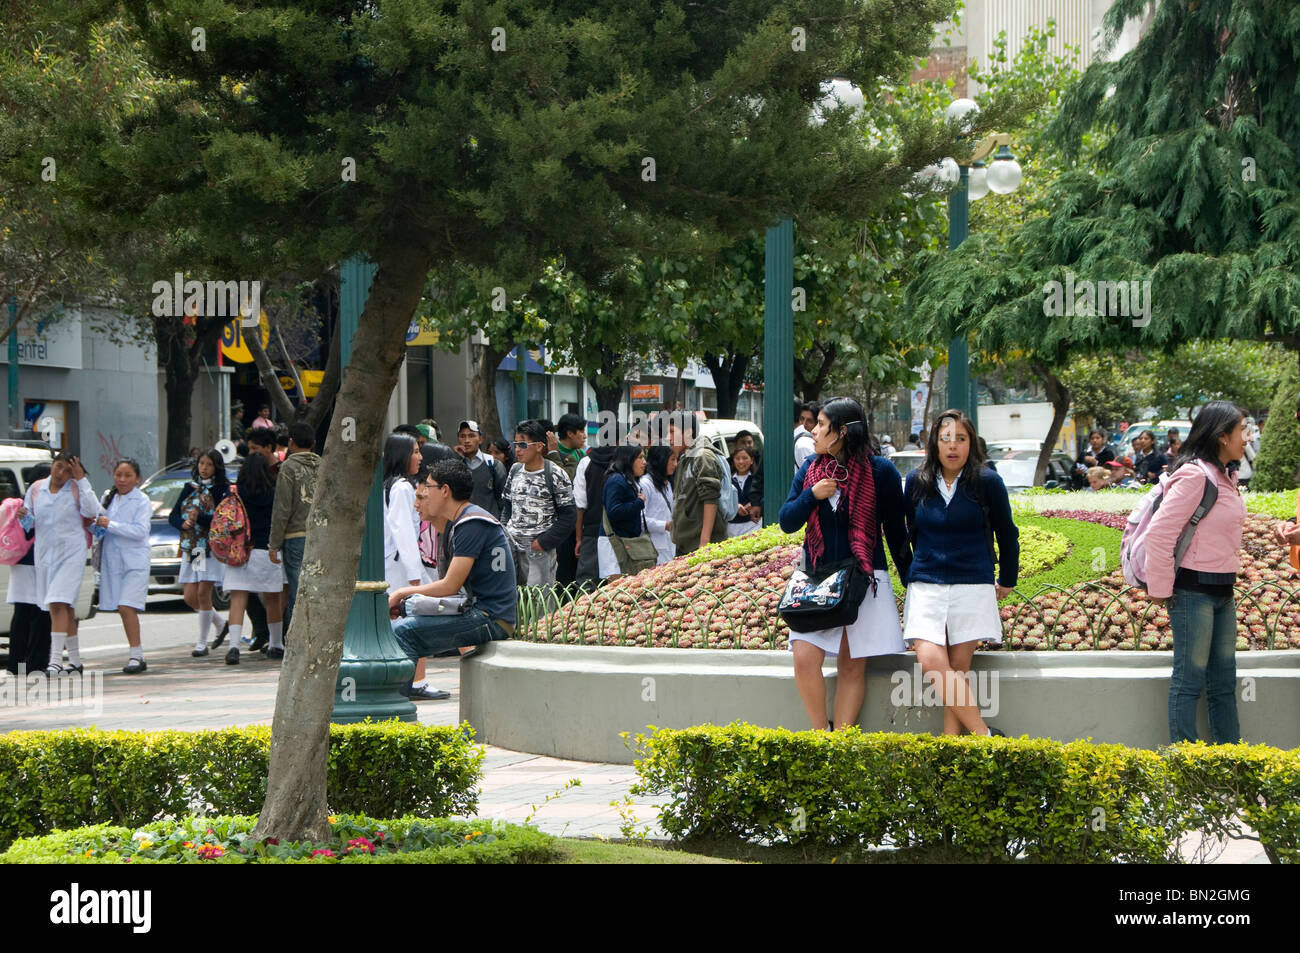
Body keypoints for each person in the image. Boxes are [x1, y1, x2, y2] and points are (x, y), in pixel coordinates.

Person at [779, 397, 912, 731]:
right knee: (804, 658)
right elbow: (787, 521)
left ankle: (841, 740)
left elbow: (896, 531)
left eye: (822, 425)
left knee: (853, 666)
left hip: (863, 579)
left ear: (842, 432)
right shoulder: (810, 469)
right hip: (818, 578)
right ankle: (820, 734)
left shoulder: (880, 470)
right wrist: (813, 495)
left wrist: (912, 580)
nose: (814, 430)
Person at [902, 409, 1019, 737]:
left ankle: (951, 750)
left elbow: (1006, 532)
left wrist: (1008, 577)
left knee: (958, 669)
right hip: (927, 583)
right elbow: (908, 532)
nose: (953, 446)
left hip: (972, 582)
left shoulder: (987, 482)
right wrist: (908, 573)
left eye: (961, 439)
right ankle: (984, 737)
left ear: (972, 443)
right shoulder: (916, 481)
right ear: (934, 444)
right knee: (931, 662)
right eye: (946, 439)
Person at [1143, 401, 1248, 745]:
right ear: (1221, 437)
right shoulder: (1195, 474)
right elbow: (1161, 533)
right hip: (1192, 593)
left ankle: (1230, 764)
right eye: (1241, 431)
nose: (1246, 438)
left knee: (1223, 685)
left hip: (1222, 591)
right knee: (1189, 682)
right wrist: (1160, 588)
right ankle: (1185, 767)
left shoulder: (1227, 476)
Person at [388, 459, 518, 666]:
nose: (424, 496)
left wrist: (400, 593)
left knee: (403, 632)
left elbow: (450, 586)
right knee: (404, 630)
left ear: (445, 490)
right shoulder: (463, 521)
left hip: (490, 618)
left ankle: (399, 698)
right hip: (481, 612)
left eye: (428, 488)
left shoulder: (471, 523)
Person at [18, 452, 98, 676]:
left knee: (56, 603)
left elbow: (92, 511)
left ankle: (55, 661)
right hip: (45, 555)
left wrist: (81, 480)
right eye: (59, 467)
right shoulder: (36, 489)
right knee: (65, 607)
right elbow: (30, 523)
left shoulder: (76, 487)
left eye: (67, 471)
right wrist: (23, 516)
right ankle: (75, 661)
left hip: (71, 553)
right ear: (52, 465)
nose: (61, 474)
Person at [382, 433, 448, 701]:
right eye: (415, 452)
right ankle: (416, 681)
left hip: (394, 565)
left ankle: (407, 680)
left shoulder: (387, 485)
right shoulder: (401, 488)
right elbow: (404, 533)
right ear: (401, 455)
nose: (420, 457)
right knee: (416, 621)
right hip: (403, 566)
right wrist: (414, 577)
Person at [222, 452, 285, 664]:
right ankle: (276, 644)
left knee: (238, 598)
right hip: (266, 551)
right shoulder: (273, 493)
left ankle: (233, 647)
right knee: (272, 599)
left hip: (240, 552)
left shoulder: (236, 493)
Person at [502, 419, 576, 587]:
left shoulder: (556, 474)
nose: (517, 449)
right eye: (516, 444)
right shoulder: (514, 470)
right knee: (513, 599)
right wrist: (505, 532)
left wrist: (543, 542)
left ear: (539, 446)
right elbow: (507, 505)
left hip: (539, 551)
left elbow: (569, 515)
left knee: (540, 604)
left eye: (523, 444)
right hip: (511, 549)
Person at [95, 459, 152, 674]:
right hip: (113, 560)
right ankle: (135, 654)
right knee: (121, 608)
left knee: (127, 606)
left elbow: (139, 531)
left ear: (137, 479)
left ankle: (136, 656)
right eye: (119, 474)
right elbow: (98, 525)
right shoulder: (108, 498)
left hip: (135, 561)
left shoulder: (142, 501)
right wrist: (96, 524)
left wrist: (111, 525)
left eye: (128, 475)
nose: (122, 479)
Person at [171, 449, 230, 656]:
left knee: (204, 592)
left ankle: (201, 643)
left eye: (209, 464)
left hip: (211, 546)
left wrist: (200, 518)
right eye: (201, 464)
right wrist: (184, 523)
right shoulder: (190, 487)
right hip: (194, 547)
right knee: (189, 596)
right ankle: (221, 623)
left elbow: (222, 519)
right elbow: (173, 515)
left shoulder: (222, 489)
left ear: (217, 467)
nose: (204, 468)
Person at [268, 421, 321, 638]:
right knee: (316, 589)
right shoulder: (322, 466)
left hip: (295, 537)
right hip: (320, 537)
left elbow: (282, 509)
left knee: (298, 592)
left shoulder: (288, 468)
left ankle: (296, 639)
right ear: (314, 444)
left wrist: (274, 543)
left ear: (291, 442)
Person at [5, 463, 51, 676]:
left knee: (22, 615)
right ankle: (36, 664)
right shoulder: (41, 502)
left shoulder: (20, 504)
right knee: (40, 615)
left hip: (21, 564)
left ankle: (16, 664)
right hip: (37, 564)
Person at [670, 413, 728, 555]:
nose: (668, 438)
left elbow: (710, 498)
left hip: (701, 546)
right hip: (687, 545)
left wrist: (704, 543)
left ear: (689, 432)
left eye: (672, 432)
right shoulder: (684, 458)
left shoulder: (702, 455)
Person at [598, 445, 647, 580]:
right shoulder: (617, 480)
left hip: (623, 542)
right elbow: (614, 512)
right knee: (616, 590)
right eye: (640, 457)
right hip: (614, 543)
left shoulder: (626, 480)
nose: (644, 462)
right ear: (628, 459)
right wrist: (638, 503)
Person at [573, 441, 617, 589]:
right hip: (620, 531)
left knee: (587, 583)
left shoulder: (586, 462)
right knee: (618, 584)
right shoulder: (626, 460)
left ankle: (585, 612)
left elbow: (580, 505)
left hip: (592, 531)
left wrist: (579, 538)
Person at [551, 413, 587, 587]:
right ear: (570, 433)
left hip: (579, 522)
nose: (585, 435)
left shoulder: (581, 453)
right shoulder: (552, 452)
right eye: (581, 431)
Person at [455, 420, 505, 519]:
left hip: (490, 525)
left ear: (480, 439)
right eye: (463, 436)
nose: (467, 440)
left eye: (471, 436)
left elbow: (503, 500)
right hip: (464, 524)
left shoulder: (493, 465)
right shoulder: (456, 466)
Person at [639, 445, 676, 564]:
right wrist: (665, 525)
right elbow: (640, 519)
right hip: (652, 546)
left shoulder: (667, 483)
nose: (675, 464)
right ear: (661, 460)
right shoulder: (645, 484)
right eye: (672, 460)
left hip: (669, 544)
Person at [727, 446, 762, 537]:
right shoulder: (727, 480)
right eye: (737, 458)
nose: (741, 462)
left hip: (754, 525)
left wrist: (754, 503)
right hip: (732, 527)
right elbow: (722, 499)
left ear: (752, 460)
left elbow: (765, 495)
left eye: (745, 458)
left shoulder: (757, 479)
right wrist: (735, 505)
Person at [793, 401, 818, 468]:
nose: (804, 424)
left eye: (809, 421)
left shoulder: (805, 444)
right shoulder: (802, 443)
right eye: (802, 419)